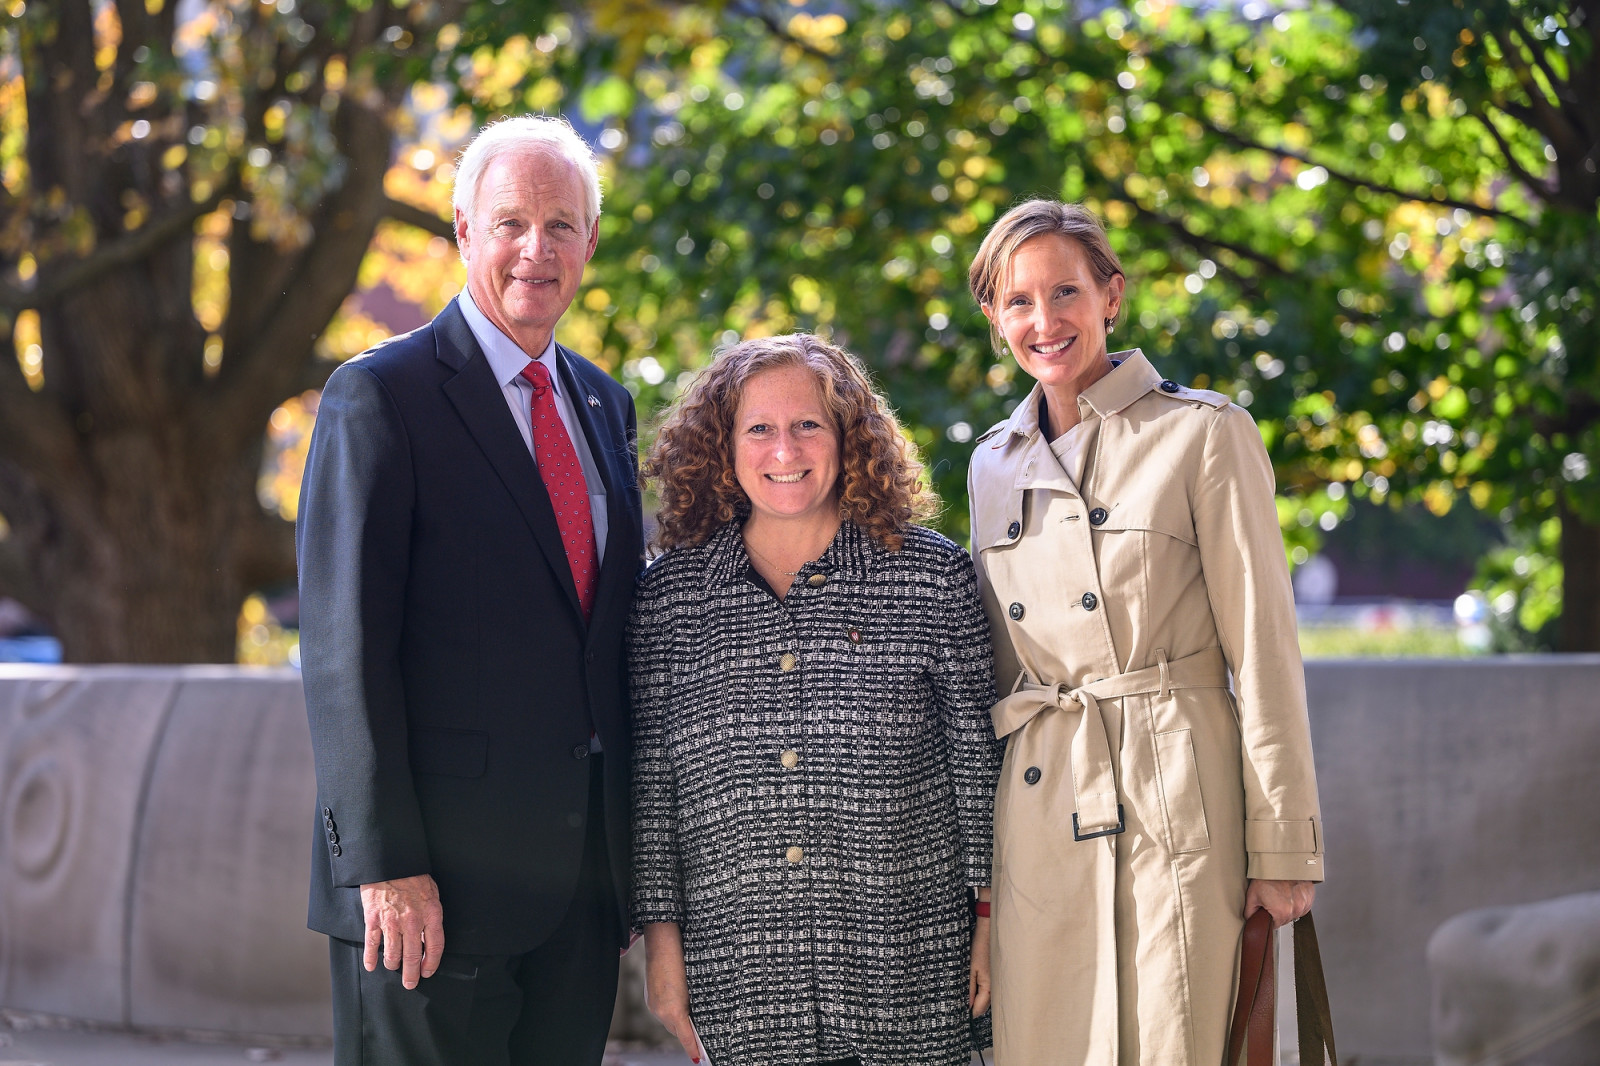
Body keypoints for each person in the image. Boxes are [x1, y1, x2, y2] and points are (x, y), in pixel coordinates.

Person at [297, 115, 643, 1066]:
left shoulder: (606, 405)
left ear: (590, 243)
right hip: (426, 893)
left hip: (576, 889)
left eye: (562, 225)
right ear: (461, 230)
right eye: (511, 223)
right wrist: (384, 862)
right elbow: (341, 650)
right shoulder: (381, 397)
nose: (537, 249)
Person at [964, 200, 1324, 1065]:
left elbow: (1265, 654)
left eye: (1065, 292)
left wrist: (1283, 847)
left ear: (1111, 296)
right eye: (1017, 301)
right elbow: (999, 673)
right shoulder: (989, 463)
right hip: (1043, 809)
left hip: (1176, 800)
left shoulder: (1203, 434)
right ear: (993, 317)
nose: (1043, 321)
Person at [628, 334, 1005, 1066]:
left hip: (911, 971)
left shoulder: (931, 579)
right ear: (722, 448)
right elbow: (654, 795)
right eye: (758, 429)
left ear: (849, 438)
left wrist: (992, 929)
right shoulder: (669, 599)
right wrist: (662, 958)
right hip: (737, 974)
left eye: (808, 425)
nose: (784, 448)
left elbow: (978, 775)